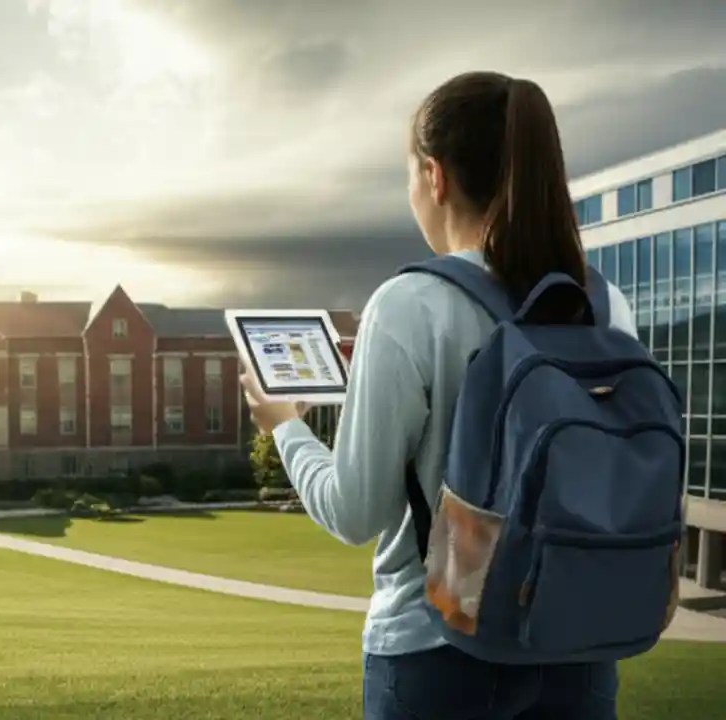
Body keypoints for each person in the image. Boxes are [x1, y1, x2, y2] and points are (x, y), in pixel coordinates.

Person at [240, 71, 636, 719]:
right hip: (577, 649)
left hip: (439, 653)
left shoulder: (409, 304)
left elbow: (353, 512)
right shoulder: (602, 303)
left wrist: (283, 424)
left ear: (435, 176)